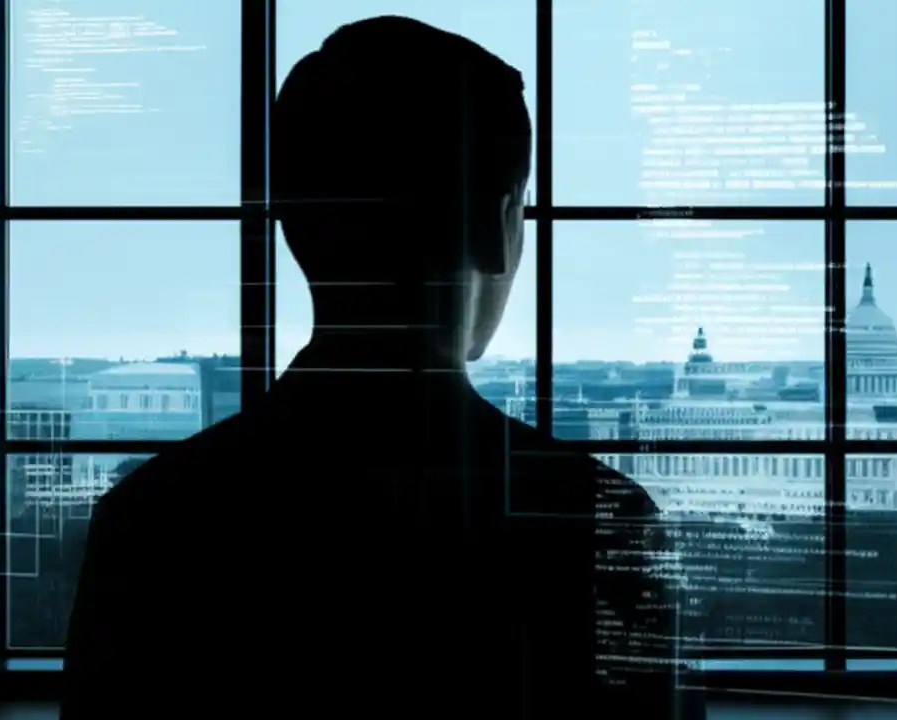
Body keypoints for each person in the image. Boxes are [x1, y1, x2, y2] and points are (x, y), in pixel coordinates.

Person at [61, 15, 698, 719]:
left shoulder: (151, 520)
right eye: (522, 210)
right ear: (494, 226)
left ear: (293, 225)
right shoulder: (603, 522)